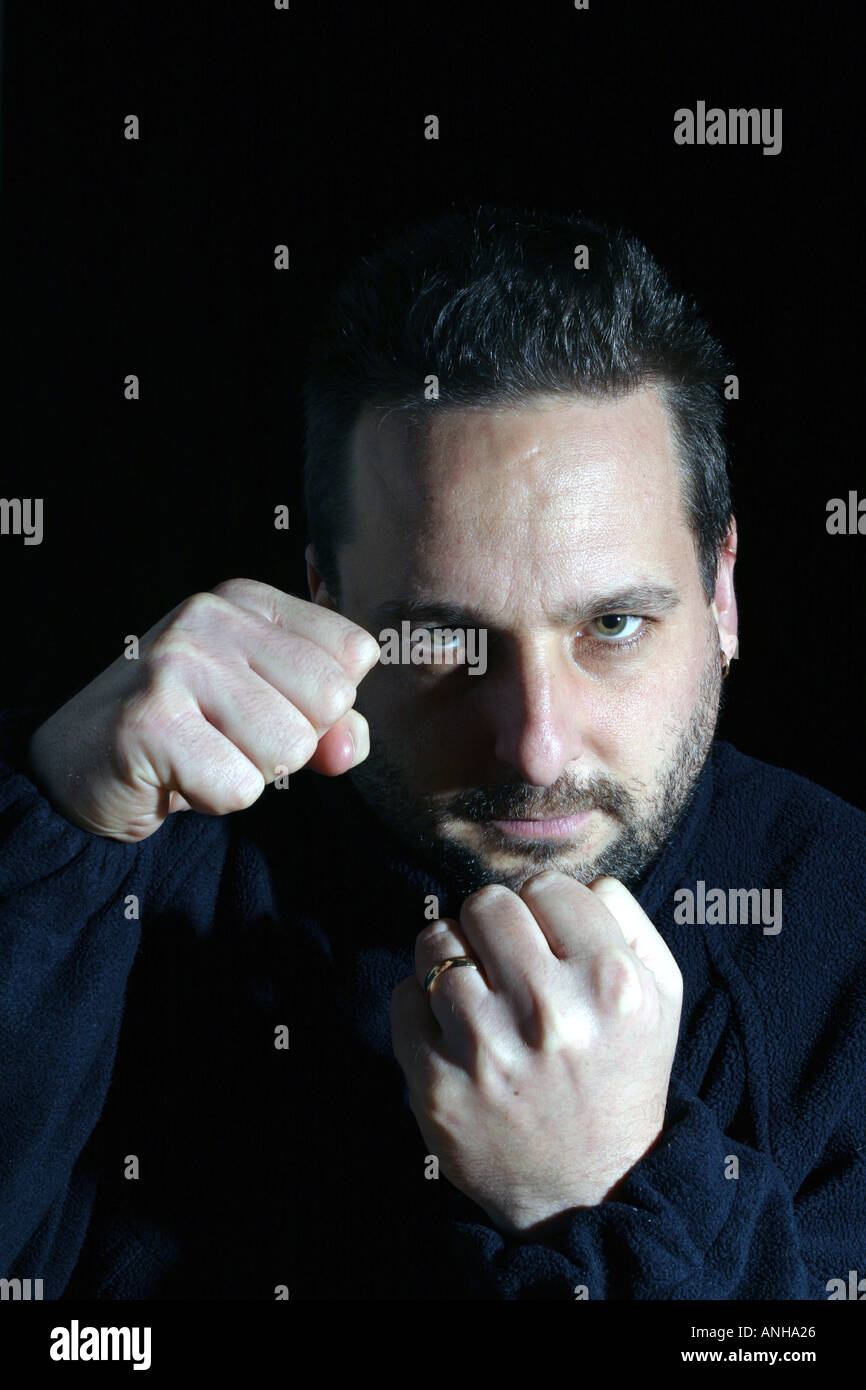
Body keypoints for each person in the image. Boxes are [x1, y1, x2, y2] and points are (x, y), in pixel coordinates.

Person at [2, 207, 863, 1300]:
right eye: (444, 640)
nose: (536, 746)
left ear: (721, 591)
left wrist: (609, 1192)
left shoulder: (844, 934)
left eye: (611, 626)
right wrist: (45, 848)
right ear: (322, 597)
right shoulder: (135, 865)